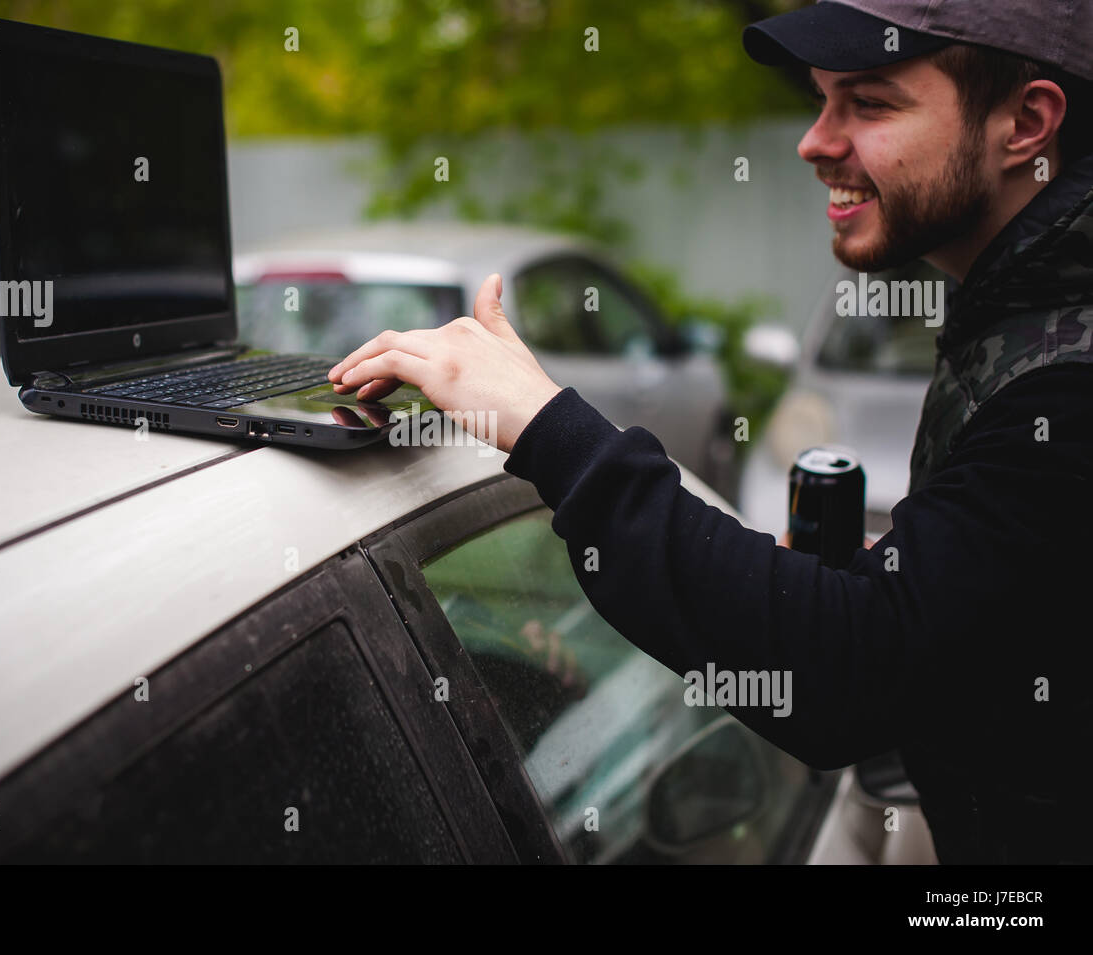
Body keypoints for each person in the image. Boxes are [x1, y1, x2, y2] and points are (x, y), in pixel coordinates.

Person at [326, 0, 1093, 864]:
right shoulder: (1019, 314)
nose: (815, 141)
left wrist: (549, 430)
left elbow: (856, 670)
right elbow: (961, 630)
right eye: (820, 98)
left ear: (1025, 124)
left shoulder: (1066, 382)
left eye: (870, 104)